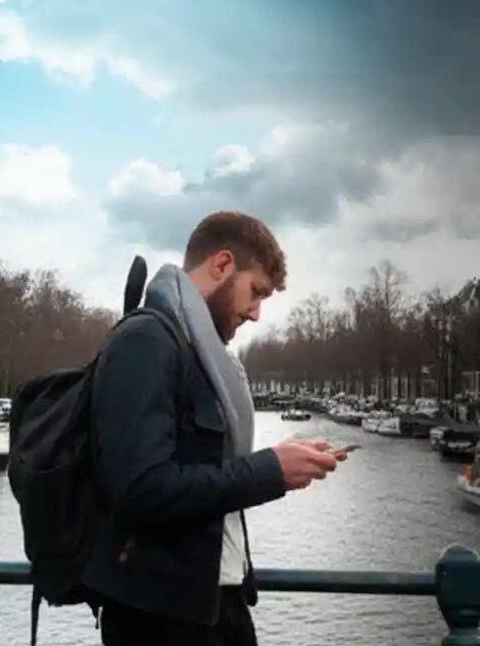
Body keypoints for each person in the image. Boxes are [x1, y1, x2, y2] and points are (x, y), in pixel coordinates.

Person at [83, 211, 345, 646]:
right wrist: (269, 472)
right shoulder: (147, 341)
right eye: (255, 291)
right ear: (222, 265)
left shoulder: (200, 355)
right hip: (163, 620)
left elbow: (200, 472)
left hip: (210, 606)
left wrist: (279, 461)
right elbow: (139, 488)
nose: (258, 313)